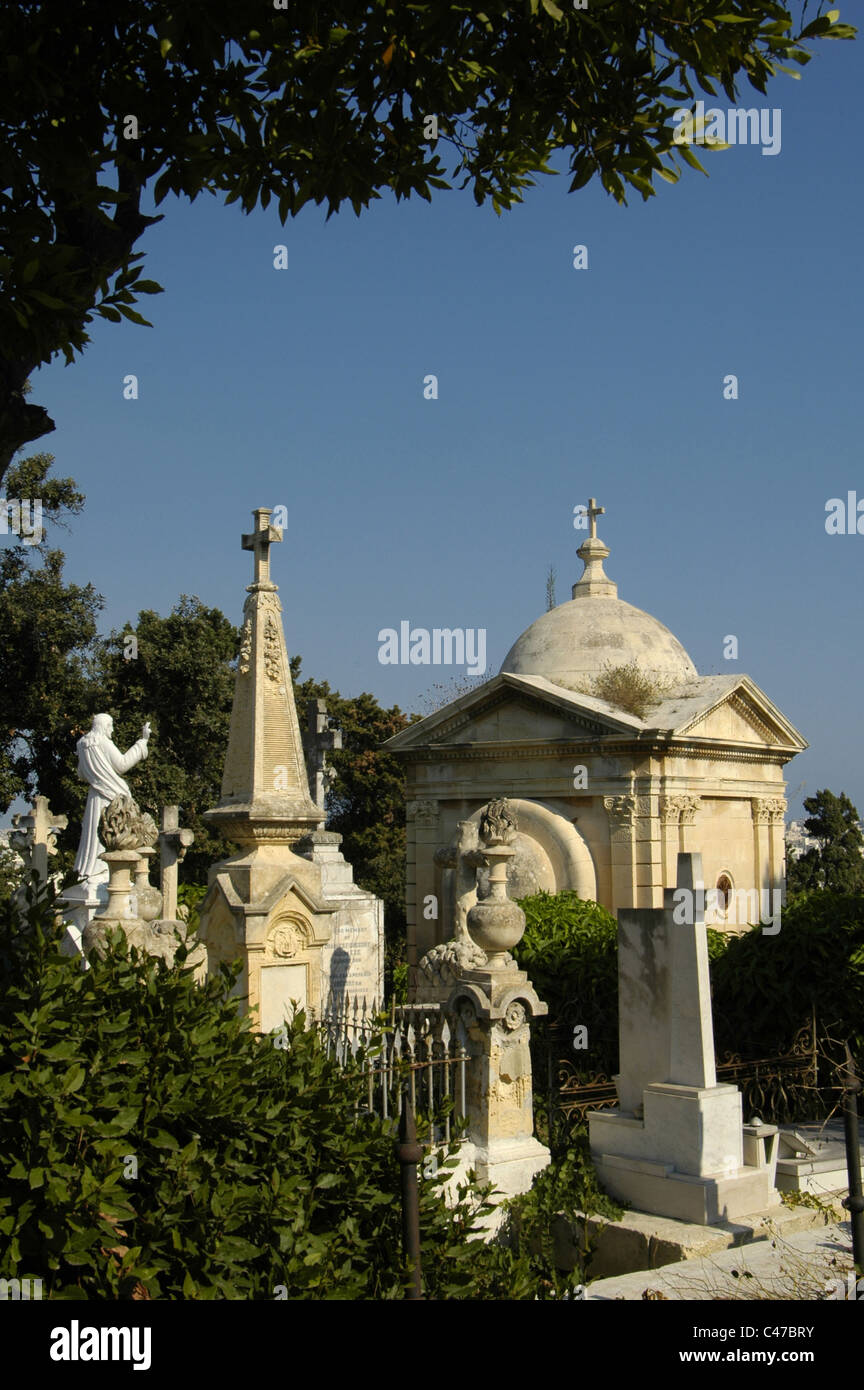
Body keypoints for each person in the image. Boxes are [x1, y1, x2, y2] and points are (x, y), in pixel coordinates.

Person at [72, 714, 150, 888]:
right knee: (110, 833)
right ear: (105, 726)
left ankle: (89, 871)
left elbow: (81, 774)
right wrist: (142, 742)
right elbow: (122, 764)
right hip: (111, 798)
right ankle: (105, 872)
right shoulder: (103, 742)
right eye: (111, 726)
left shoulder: (82, 743)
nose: (113, 730)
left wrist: (95, 773)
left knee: (93, 832)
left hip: (95, 794)